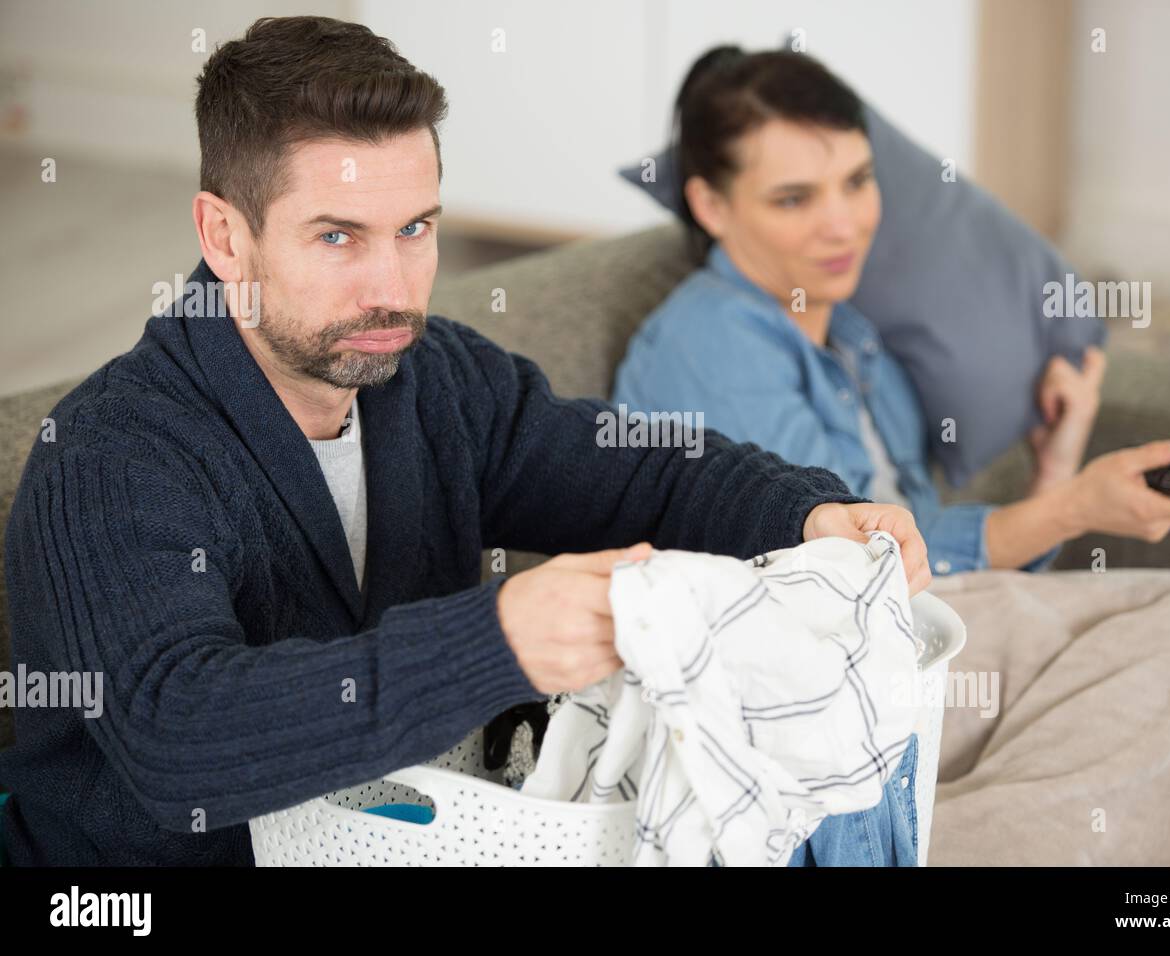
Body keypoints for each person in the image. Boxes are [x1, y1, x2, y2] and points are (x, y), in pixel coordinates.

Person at [0, 19, 930, 866]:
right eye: (337, 237)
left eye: (415, 228)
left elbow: (637, 466)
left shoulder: (433, 376)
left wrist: (808, 510)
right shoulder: (110, 457)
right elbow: (181, 738)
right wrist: (498, 640)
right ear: (224, 237)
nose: (392, 286)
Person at [613, 46, 1170, 866]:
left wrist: (1055, 470)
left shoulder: (859, 340)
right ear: (711, 205)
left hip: (934, 633)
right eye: (795, 197)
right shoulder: (709, 341)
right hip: (827, 670)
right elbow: (845, 570)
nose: (843, 223)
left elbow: (939, 554)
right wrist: (1070, 507)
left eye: (858, 182)